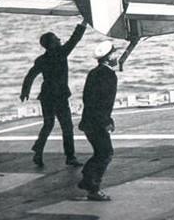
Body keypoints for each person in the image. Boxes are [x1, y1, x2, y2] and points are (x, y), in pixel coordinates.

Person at [20, 22, 87, 167]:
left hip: (46, 97)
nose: (59, 40)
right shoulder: (62, 53)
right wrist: (83, 24)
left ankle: (39, 148)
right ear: (52, 44)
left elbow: (30, 75)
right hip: (60, 96)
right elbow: (75, 39)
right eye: (56, 39)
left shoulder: (41, 60)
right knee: (67, 127)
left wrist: (25, 91)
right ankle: (70, 157)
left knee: (48, 125)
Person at [77, 41, 120, 202]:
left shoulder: (94, 72)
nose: (117, 56)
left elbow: (89, 99)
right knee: (105, 153)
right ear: (108, 58)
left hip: (89, 120)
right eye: (114, 53)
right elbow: (102, 102)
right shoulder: (107, 75)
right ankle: (92, 188)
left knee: (100, 152)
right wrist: (106, 121)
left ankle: (86, 179)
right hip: (97, 122)